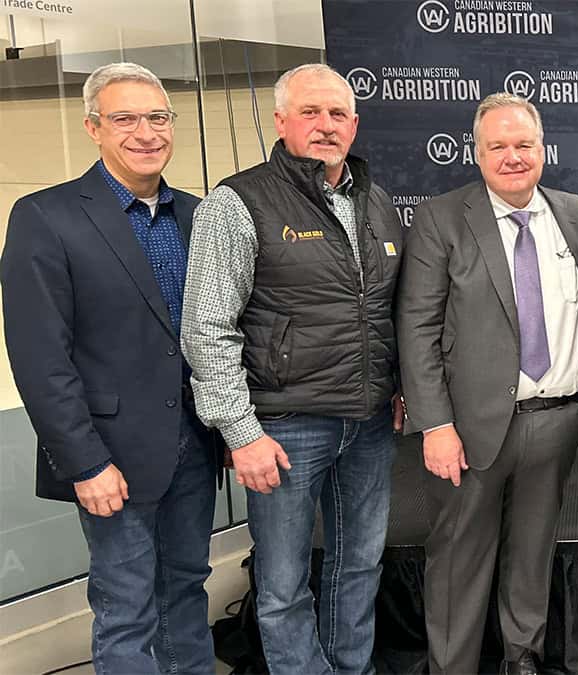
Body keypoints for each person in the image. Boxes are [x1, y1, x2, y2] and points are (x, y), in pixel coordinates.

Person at [180, 63, 405, 674]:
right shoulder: (238, 201)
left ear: (354, 125)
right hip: (284, 427)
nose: (325, 126)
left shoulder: (376, 201)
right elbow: (206, 327)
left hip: (369, 423)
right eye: (310, 112)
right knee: (281, 585)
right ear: (281, 121)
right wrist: (240, 431)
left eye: (337, 114)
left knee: (358, 565)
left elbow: (390, 309)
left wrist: (400, 385)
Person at [1, 62, 220, 674]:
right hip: (111, 459)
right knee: (126, 611)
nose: (146, 133)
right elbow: (41, 360)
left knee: (186, 596)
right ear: (94, 127)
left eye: (157, 117)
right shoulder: (46, 217)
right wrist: (86, 463)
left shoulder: (197, 216)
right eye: (125, 119)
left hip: (196, 449)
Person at [398, 92, 578, 675]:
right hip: (470, 430)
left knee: (532, 554)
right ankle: (452, 665)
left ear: (543, 150)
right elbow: (417, 328)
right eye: (498, 146)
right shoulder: (442, 218)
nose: (513, 157)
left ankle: (523, 658)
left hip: (558, 420)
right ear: (477, 154)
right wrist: (435, 425)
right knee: (459, 557)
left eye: (524, 144)